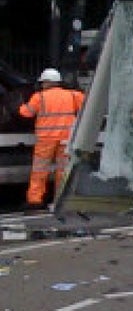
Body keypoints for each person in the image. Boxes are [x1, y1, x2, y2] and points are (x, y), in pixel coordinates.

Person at [17, 68, 85, 210]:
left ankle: (35, 200)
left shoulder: (39, 97)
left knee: (40, 170)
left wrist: (19, 105)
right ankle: (61, 200)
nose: (41, 85)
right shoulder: (73, 95)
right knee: (63, 170)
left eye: (42, 82)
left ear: (47, 82)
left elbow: (26, 113)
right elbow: (87, 106)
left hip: (46, 140)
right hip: (66, 139)